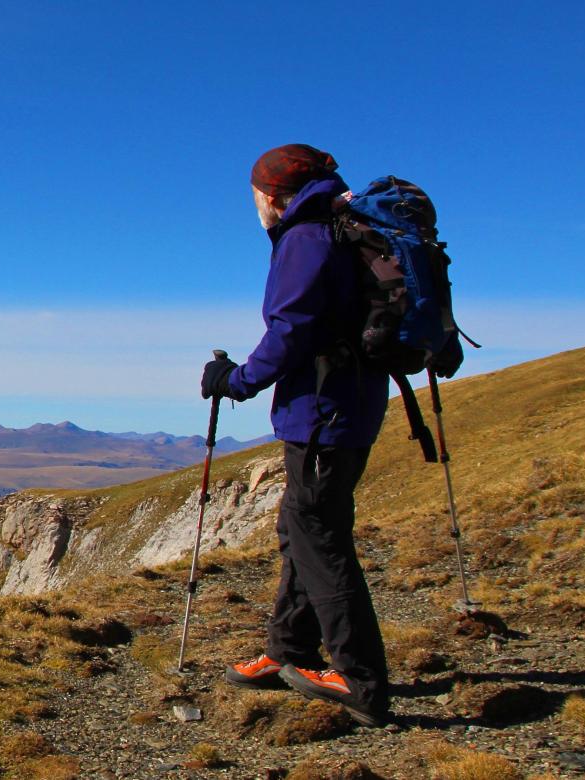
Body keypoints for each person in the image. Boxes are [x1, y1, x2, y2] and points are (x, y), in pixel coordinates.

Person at [199, 143, 392, 726]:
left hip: (323, 413)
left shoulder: (307, 237)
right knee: (302, 528)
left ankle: (361, 682)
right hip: (347, 407)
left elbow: (291, 330)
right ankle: (290, 651)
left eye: (255, 196)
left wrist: (236, 380)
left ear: (271, 194)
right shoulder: (341, 226)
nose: (255, 206)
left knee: (320, 539)